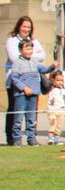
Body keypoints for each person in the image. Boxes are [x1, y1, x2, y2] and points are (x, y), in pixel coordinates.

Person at [6, 39, 57, 146]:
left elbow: (44, 70)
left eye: (31, 48)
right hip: (21, 95)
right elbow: (15, 78)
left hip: (34, 94)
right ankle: (17, 139)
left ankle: (31, 138)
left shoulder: (35, 61)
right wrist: (24, 88)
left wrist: (52, 66)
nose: (29, 51)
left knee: (31, 118)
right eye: (27, 48)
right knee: (18, 118)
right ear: (21, 50)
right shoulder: (17, 63)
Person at [5, 17, 45, 147]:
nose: (26, 29)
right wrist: (33, 55)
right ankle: (12, 138)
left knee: (31, 113)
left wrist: (28, 54)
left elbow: (42, 56)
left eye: (29, 27)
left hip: (33, 83)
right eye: (24, 26)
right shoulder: (11, 41)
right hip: (16, 82)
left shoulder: (34, 41)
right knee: (15, 111)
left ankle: (31, 137)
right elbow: (14, 57)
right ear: (19, 27)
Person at [46, 70, 65, 145]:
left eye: (62, 80)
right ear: (53, 81)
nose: (60, 82)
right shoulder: (52, 90)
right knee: (53, 124)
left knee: (59, 126)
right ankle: (50, 138)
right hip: (52, 110)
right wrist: (50, 110)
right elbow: (50, 101)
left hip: (61, 111)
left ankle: (57, 138)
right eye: (58, 80)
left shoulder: (64, 91)